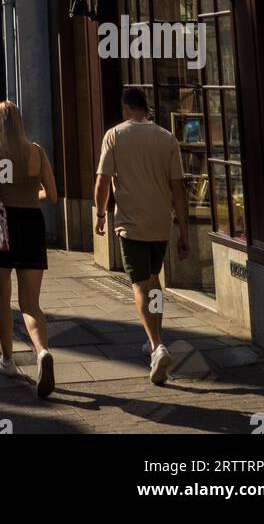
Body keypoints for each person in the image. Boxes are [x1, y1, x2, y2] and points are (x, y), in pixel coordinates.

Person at [95, 85, 190, 386]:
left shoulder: (115, 135)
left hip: (132, 224)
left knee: (139, 285)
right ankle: (157, 338)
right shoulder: (166, 138)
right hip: (161, 223)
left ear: (125, 109)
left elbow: (102, 182)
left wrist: (99, 214)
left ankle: (155, 345)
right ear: (145, 108)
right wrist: (184, 231)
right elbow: (178, 189)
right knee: (155, 282)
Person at [0, 101, 57, 397]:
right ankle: (43, 351)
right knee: (31, 304)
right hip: (32, 224)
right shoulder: (36, 151)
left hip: (2, 228)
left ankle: (8, 360)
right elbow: (53, 194)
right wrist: (30, 194)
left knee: (2, 297)